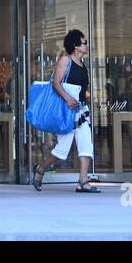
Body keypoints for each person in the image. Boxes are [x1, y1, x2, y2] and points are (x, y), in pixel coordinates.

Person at [32, 29, 99, 193]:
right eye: (84, 43)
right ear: (76, 46)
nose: (87, 45)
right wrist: (68, 98)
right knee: (62, 150)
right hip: (67, 111)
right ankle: (41, 168)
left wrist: (86, 96)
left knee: (86, 145)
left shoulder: (83, 65)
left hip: (81, 110)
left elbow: (83, 88)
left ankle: (83, 181)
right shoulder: (65, 60)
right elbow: (56, 83)